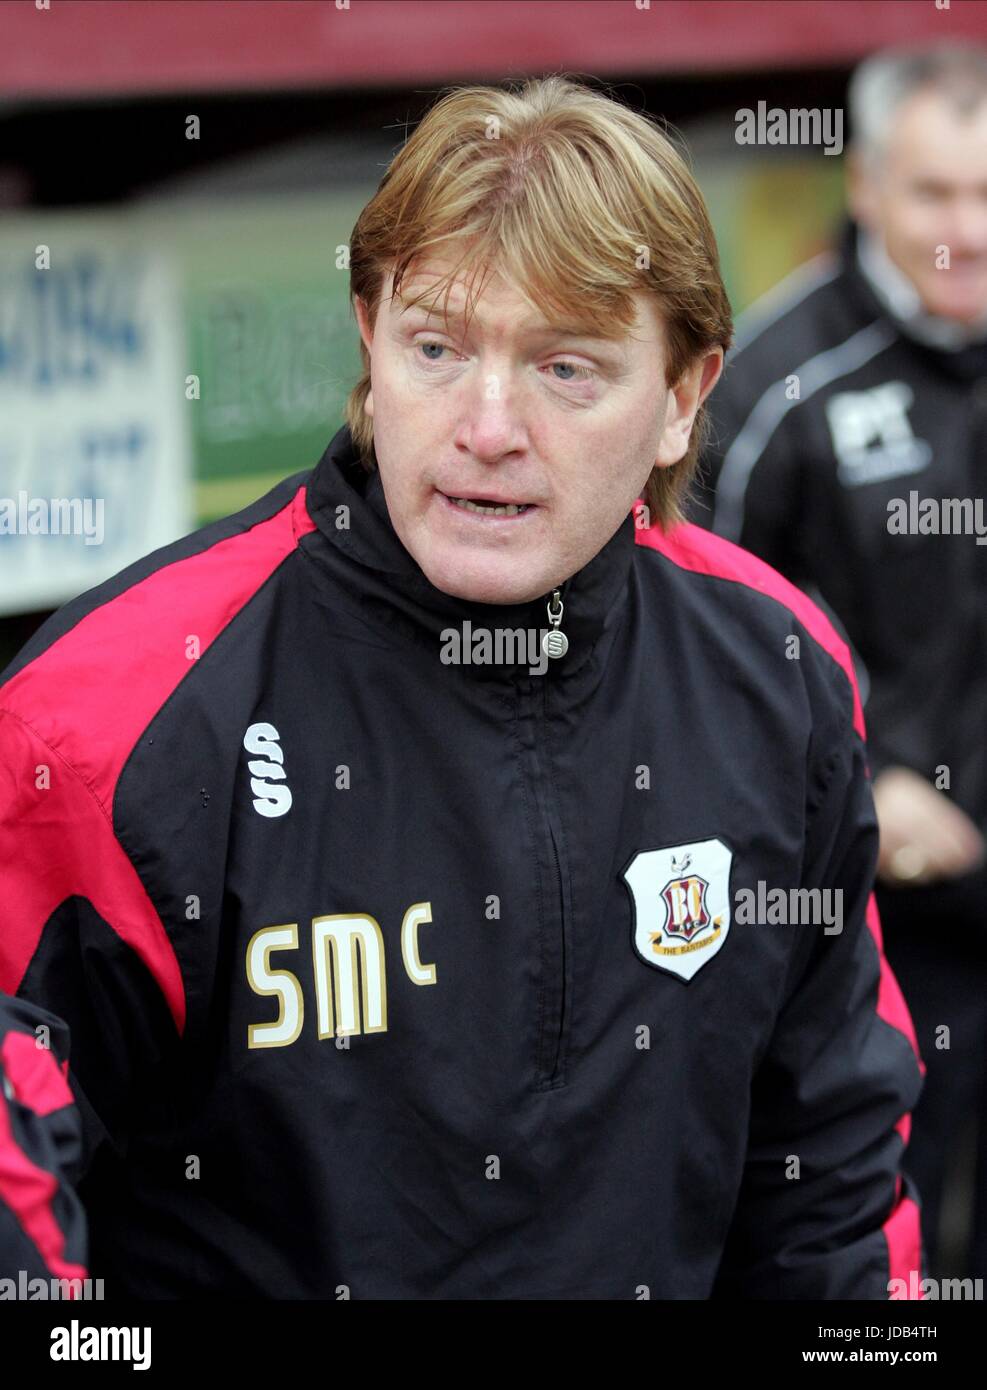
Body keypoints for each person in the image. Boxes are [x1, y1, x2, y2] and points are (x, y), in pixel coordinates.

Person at [0, 74, 923, 1299]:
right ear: (369, 341)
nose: (486, 425)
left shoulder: (779, 669)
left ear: (685, 399)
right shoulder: (112, 706)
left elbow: (834, 1169)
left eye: (566, 369)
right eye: (437, 347)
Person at [693, 44, 987, 1280]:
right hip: (883, 924)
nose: (965, 232)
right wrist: (859, 794)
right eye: (934, 195)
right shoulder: (777, 387)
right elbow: (692, 655)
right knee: (879, 1242)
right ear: (864, 187)